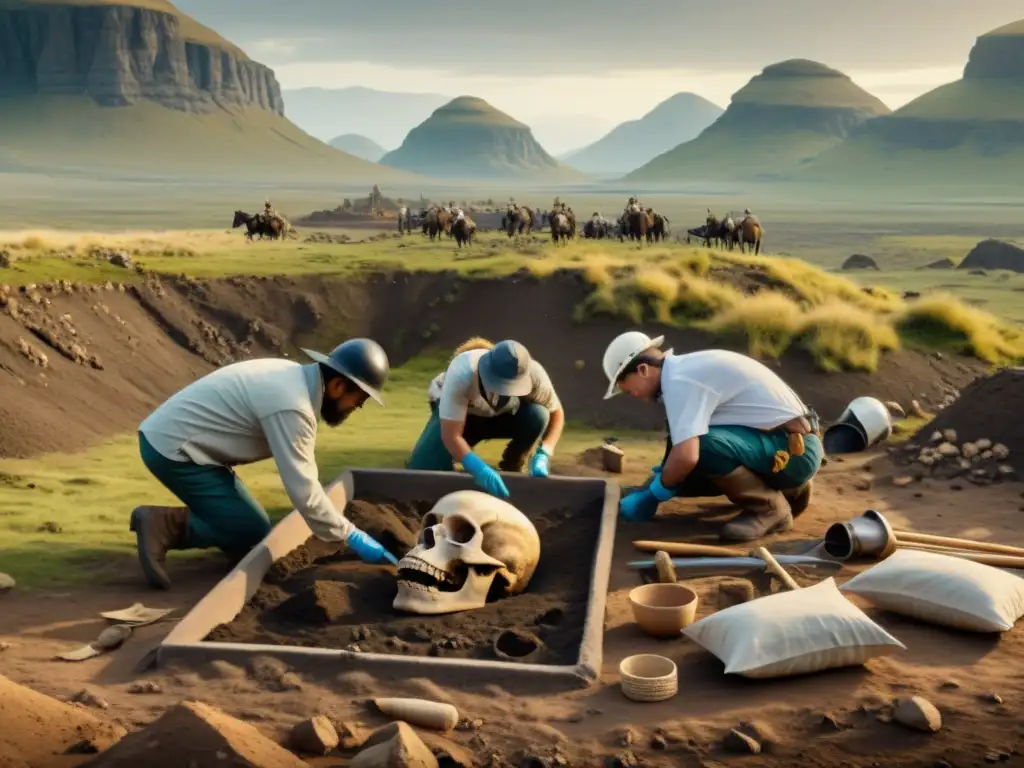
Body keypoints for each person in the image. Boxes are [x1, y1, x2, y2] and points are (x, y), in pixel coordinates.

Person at [131, 339, 396, 589]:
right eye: (358, 401)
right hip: (174, 450)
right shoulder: (293, 406)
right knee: (252, 530)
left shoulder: (292, 376)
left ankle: (226, 532)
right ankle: (163, 524)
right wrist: (352, 536)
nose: (355, 408)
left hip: (191, 445)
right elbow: (305, 493)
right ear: (338, 386)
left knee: (249, 531)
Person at [601, 331, 822, 542]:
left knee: (703, 448)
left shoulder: (681, 381)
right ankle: (791, 490)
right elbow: (679, 452)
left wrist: (652, 495)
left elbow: (687, 456)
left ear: (642, 369)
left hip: (794, 452)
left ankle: (770, 509)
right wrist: (653, 484)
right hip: (784, 444)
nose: (635, 396)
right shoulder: (683, 372)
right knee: (684, 453)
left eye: (630, 390)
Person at [406, 338, 565, 498]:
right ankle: (449, 478)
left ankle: (513, 466)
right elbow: (451, 435)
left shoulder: (534, 374)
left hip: (502, 417)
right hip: (462, 420)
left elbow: (557, 413)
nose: (504, 390)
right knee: (422, 468)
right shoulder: (462, 373)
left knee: (538, 415)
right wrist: (477, 468)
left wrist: (544, 452)